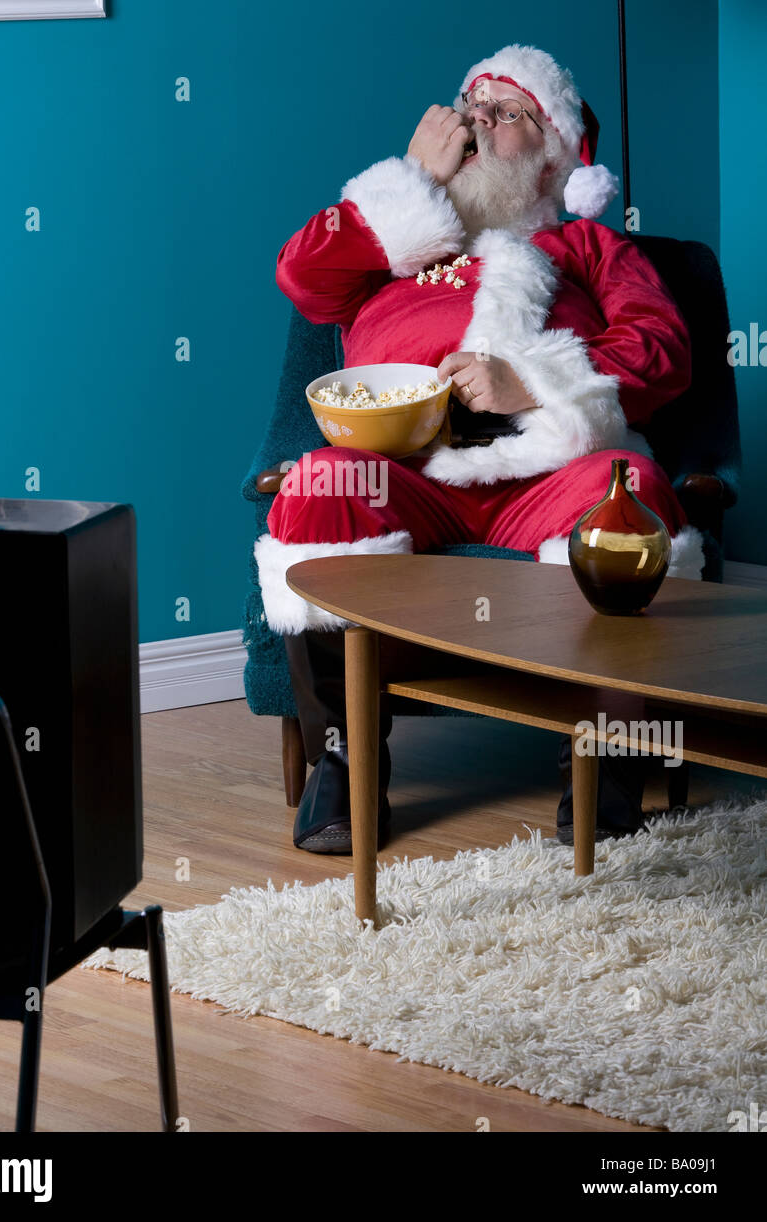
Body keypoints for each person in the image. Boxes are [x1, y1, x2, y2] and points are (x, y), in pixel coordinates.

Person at [256, 43, 702, 854]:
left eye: (509, 113)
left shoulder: (589, 250)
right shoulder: (399, 246)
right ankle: (343, 761)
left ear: (551, 159)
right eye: (472, 104)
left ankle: (611, 762)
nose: (478, 120)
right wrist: (406, 181)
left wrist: (531, 380)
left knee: (629, 490)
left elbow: (663, 346)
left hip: (545, 469)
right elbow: (302, 278)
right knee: (319, 484)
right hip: (408, 470)